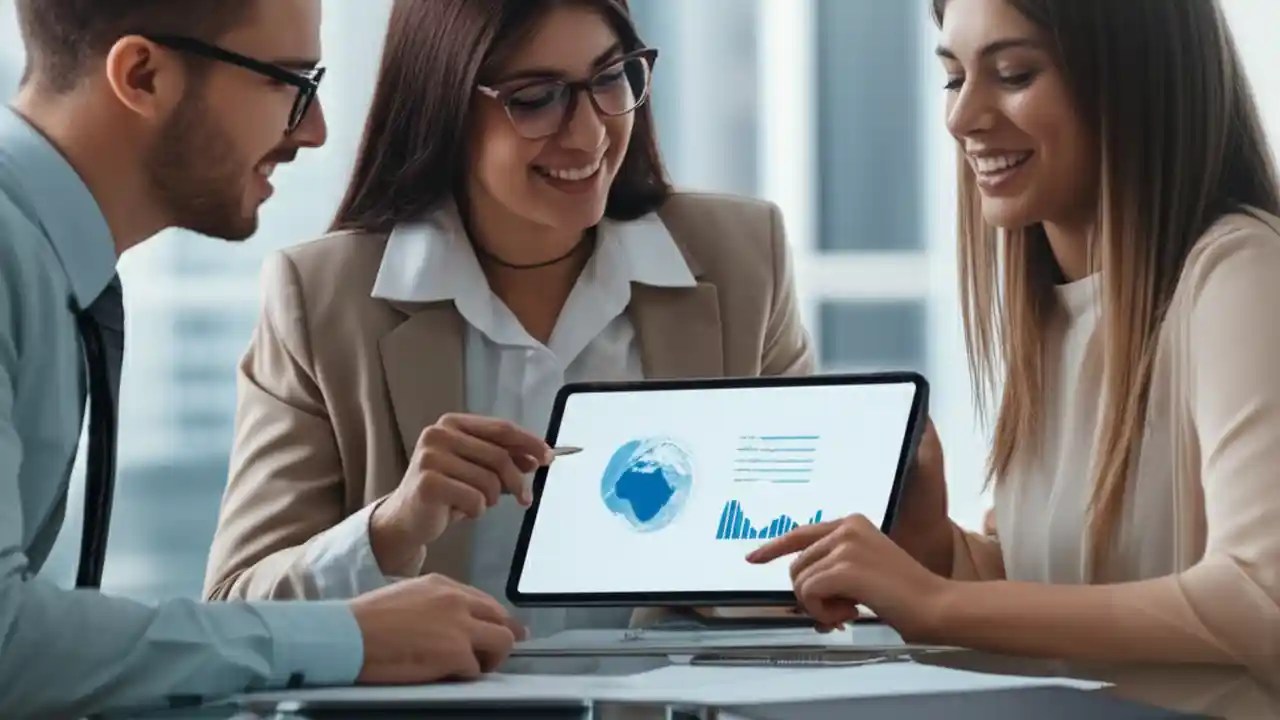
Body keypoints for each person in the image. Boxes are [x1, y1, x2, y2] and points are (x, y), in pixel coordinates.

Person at [201, 0, 812, 640]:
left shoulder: (742, 257)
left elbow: (797, 566)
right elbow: (233, 610)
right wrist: (389, 530)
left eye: (610, 78)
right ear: (444, 106)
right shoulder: (324, 298)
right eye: (536, 98)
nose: (589, 134)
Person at [0, 1, 525, 716]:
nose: (313, 130)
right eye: (286, 81)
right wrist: (351, 639)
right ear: (143, 76)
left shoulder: (50, 265)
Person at [750, 0, 1280, 681]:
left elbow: (1260, 600)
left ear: (1134, 81)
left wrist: (936, 602)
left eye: (1013, 73)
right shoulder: (1057, 311)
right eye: (953, 78)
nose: (961, 118)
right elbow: (1067, 589)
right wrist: (932, 551)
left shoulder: (1241, 275)